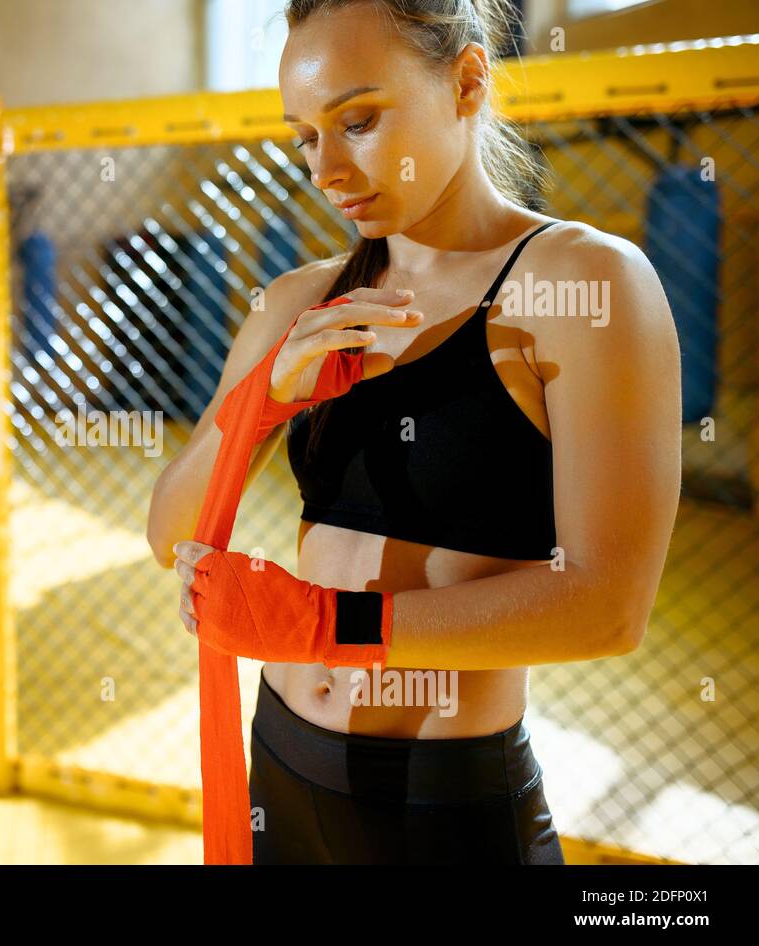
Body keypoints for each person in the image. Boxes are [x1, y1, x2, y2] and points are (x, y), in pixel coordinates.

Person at [148, 0, 680, 863]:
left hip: (445, 806)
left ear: (467, 82)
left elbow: (608, 608)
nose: (326, 169)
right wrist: (263, 401)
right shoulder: (299, 300)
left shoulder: (580, 284)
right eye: (305, 138)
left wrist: (330, 625)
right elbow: (169, 535)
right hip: (280, 766)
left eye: (357, 121)